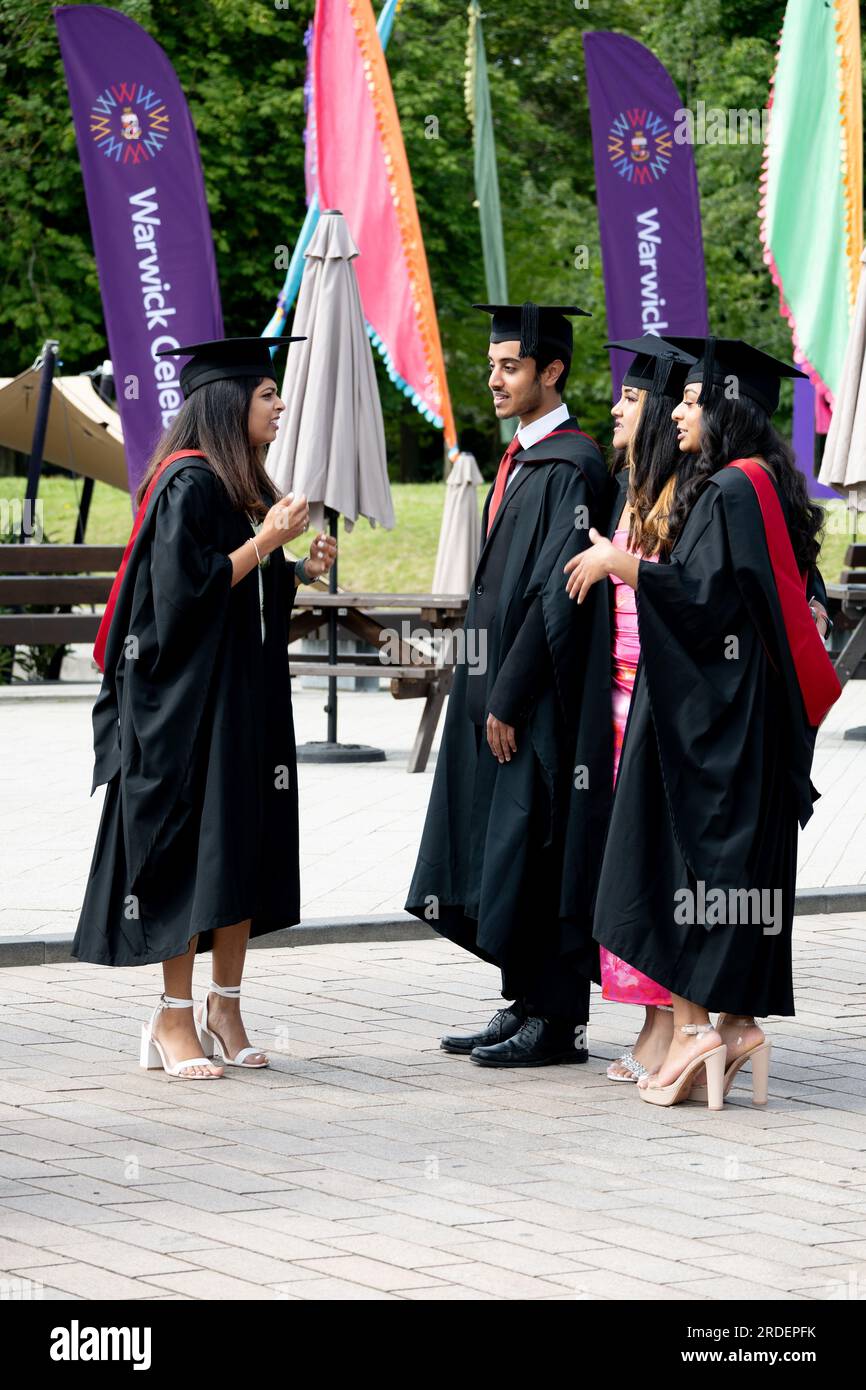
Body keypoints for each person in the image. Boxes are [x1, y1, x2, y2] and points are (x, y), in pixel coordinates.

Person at [565, 337, 839, 1108]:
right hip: (747, 714)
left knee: (667, 857)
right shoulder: (769, 485)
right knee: (734, 873)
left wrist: (628, 569)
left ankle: (695, 1035)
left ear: (724, 405)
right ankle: (739, 1024)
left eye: (690, 399)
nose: (677, 411)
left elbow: (701, 602)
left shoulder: (725, 491)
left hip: (705, 710)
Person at [72, 336, 337, 1079]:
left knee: (242, 845)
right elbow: (182, 601)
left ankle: (226, 1004)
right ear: (227, 403)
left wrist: (295, 568)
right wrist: (265, 541)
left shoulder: (236, 482)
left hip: (243, 701)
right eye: (266, 394)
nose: (280, 405)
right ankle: (172, 1017)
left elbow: (244, 594)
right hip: (189, 712)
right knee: (192, 854)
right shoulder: (187, 483)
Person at [405, 301, 614, 1067]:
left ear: (550, 372)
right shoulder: (524, 459)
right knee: (507, 841)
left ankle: (558, 1022)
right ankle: (524, 999)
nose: (493, 379)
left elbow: (557, 591)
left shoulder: (576, 464)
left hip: (538, 693)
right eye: (491, 364)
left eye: (509, 367)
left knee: (540, 836)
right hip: (498, 683)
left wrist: (511, 693)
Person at [588, 337, 700, 1084]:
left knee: (655, 866)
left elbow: (687, 595)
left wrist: (614, 561)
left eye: (629, 399)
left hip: (661, 702)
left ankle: (668, 1024)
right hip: (622, 698)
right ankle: (651, 1020)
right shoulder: (630, 492)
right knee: (629, 864)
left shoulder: (686, 496)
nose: (615, 409)